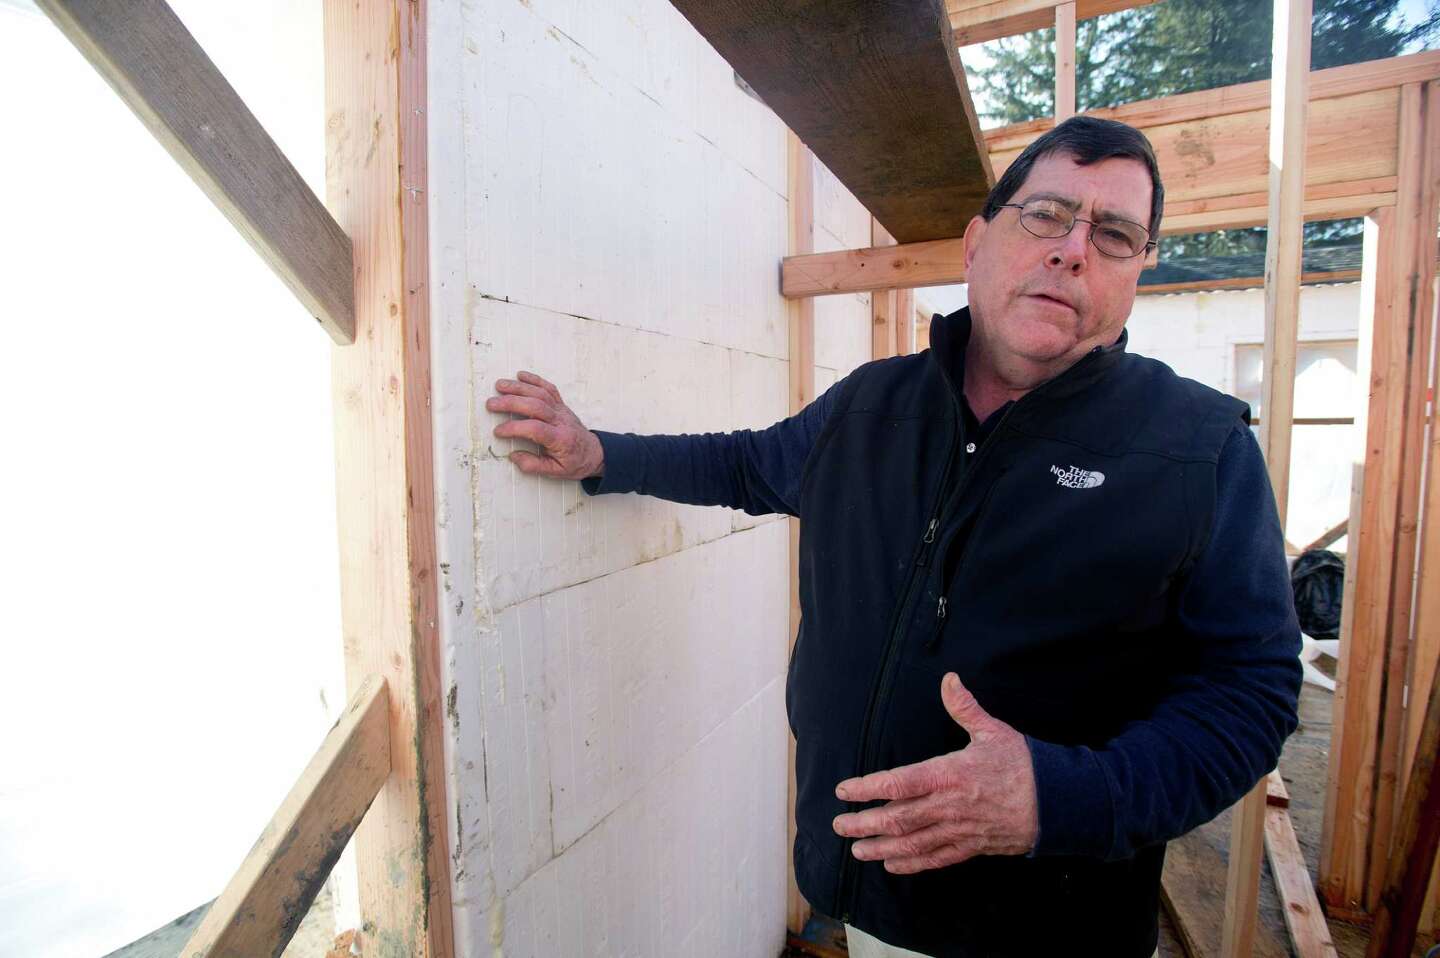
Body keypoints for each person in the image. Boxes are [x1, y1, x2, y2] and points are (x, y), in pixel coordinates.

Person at [484, 116, 1302, 958]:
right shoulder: (871, 404)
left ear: (1136, 272)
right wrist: (599, 455)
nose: (1073, 250)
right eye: (1047, 215)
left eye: (1116, 234)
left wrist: (1061, 798)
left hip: (1053, 926)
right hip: (869, 901)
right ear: (977, 241)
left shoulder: (1198, 449)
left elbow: (1253, 692)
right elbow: (743, 467)